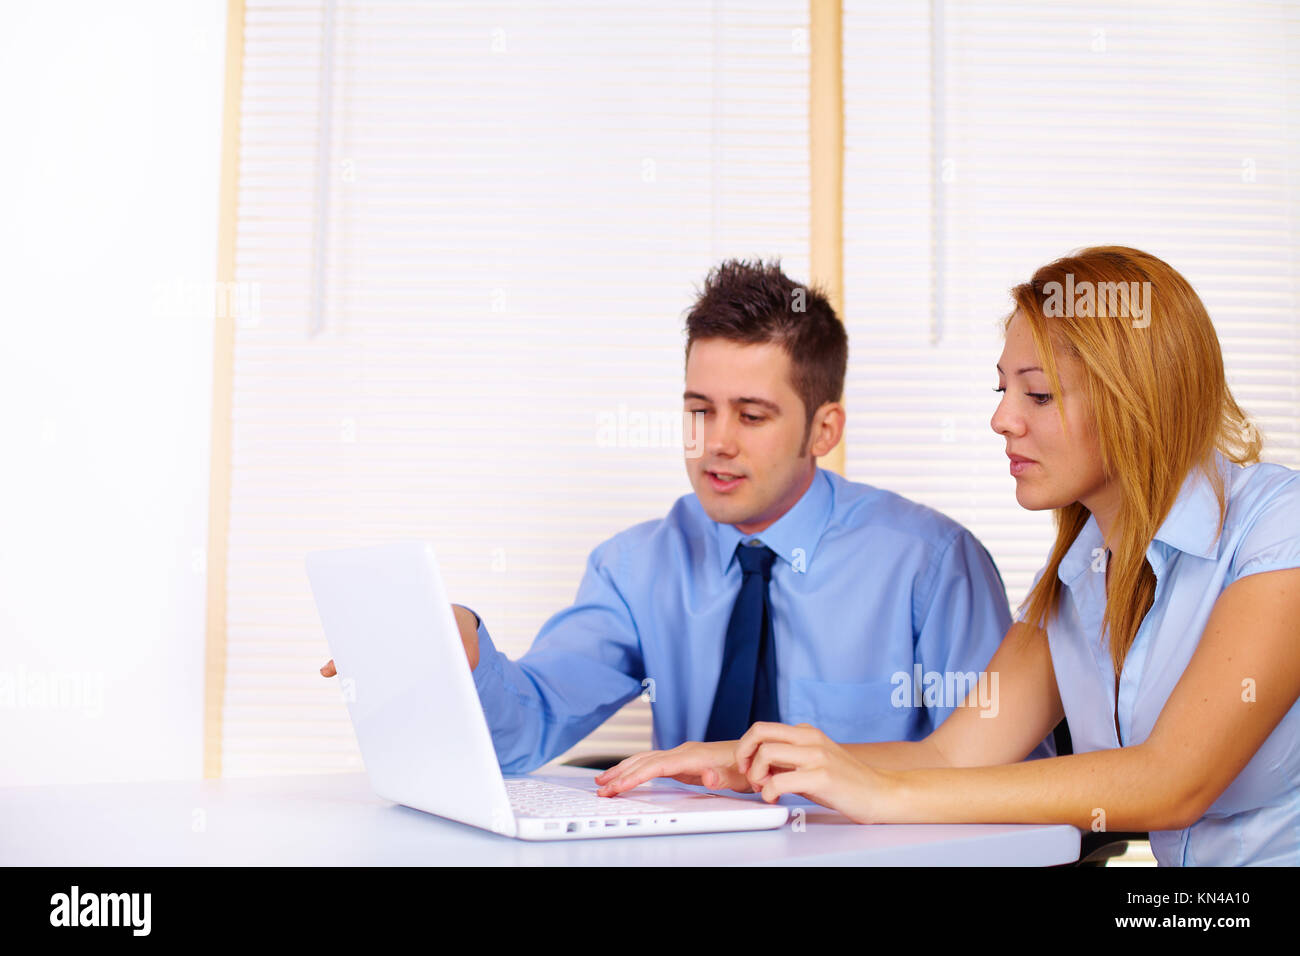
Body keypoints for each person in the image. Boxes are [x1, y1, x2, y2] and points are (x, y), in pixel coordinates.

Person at [601, 246, 1300, 866]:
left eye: (1039, 394)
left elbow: (1171, 783)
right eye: (1004, 389)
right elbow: (951, 755)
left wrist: (880, 796)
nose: (1002, 418)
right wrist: (742, 760)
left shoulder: (1277, 526)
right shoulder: (1078, 573)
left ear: (1136, 400)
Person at [322, 259, 1054, 781]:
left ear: (824, 430)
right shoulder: (636, 567)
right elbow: (526, 728)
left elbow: (1000, 774)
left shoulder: (928, 561)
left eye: (753, 415)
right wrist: (464, 650)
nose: (717, 443)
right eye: (699, 410)